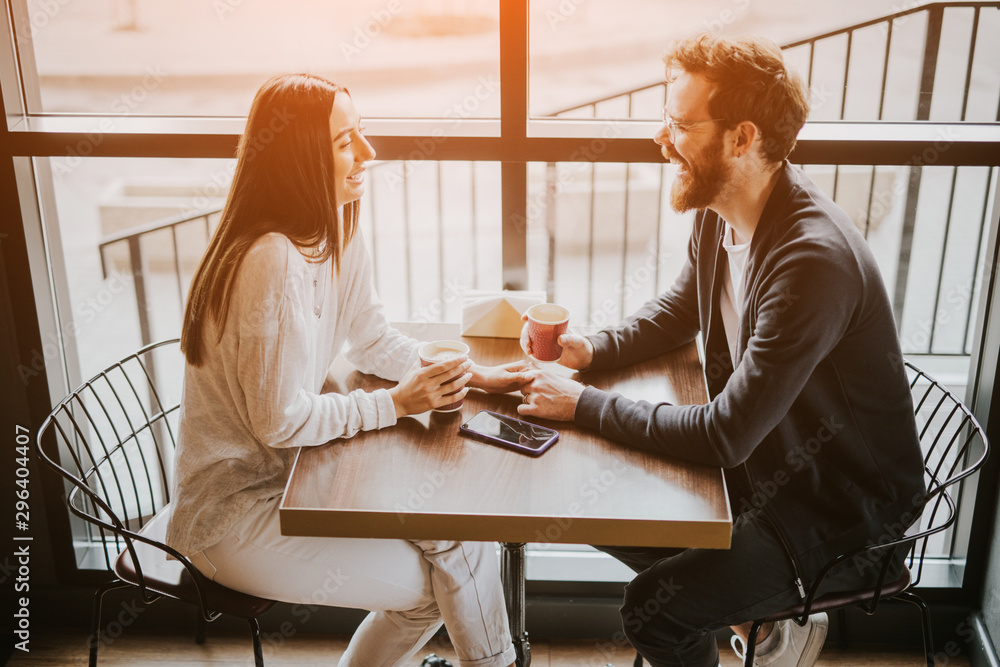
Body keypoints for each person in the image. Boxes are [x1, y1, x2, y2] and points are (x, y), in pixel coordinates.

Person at [518, 34, 926, 667]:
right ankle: (760, 620)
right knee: (605, 509)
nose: (661, 137)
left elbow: (725, 435)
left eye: (681, 124)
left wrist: (582, 405)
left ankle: (763, 614)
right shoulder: (725, 208)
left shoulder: (812, 262)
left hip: (836, 508)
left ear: (741, 138)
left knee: (653, 610)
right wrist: (588, 351)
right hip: (769, 464)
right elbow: (681, 311)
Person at [166, 73, 525, 667]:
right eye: (344, 142)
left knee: (457, 539)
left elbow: (373, 340)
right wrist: (396, 404)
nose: (369, 153)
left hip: (302, 479)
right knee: (447, 579)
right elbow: (279, 424)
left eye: (361, 134)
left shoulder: (337, 223)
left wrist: (471, 376)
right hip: (234, 514)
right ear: (300, 159)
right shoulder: (270, 259)